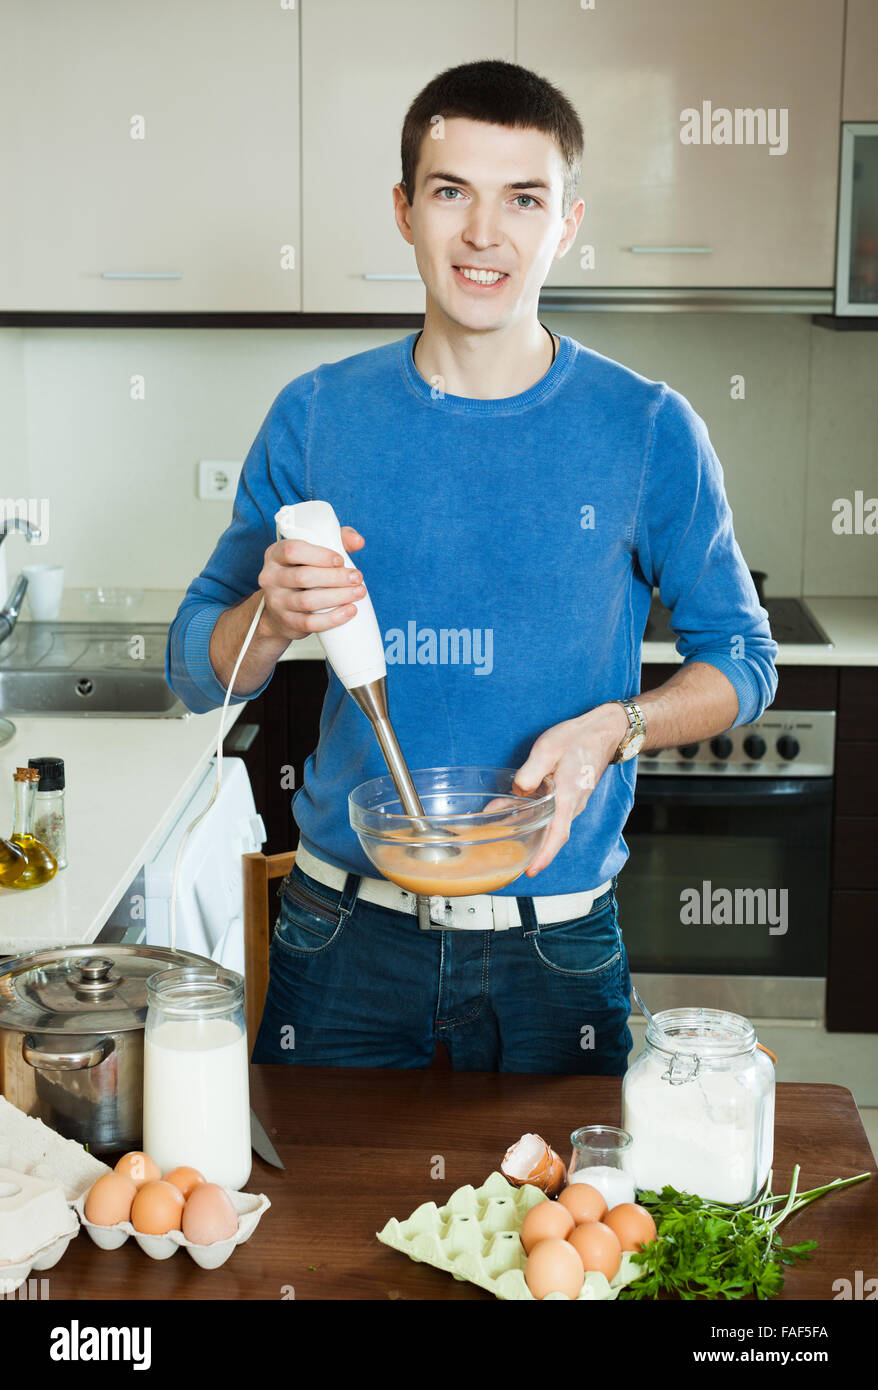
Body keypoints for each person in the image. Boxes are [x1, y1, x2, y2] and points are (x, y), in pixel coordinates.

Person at [166, 59, 778, 1075]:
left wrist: (614, 728)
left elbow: (743, 663)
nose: (484, 234)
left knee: (557, 1233)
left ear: (565, 223)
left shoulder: (647, 429)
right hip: (339, 937)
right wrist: (270, 621)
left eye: (521, 199)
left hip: (556, 950)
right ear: (405, 212)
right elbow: (194, 667)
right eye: (452, 192)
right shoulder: (316, 416)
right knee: (313, 1236)